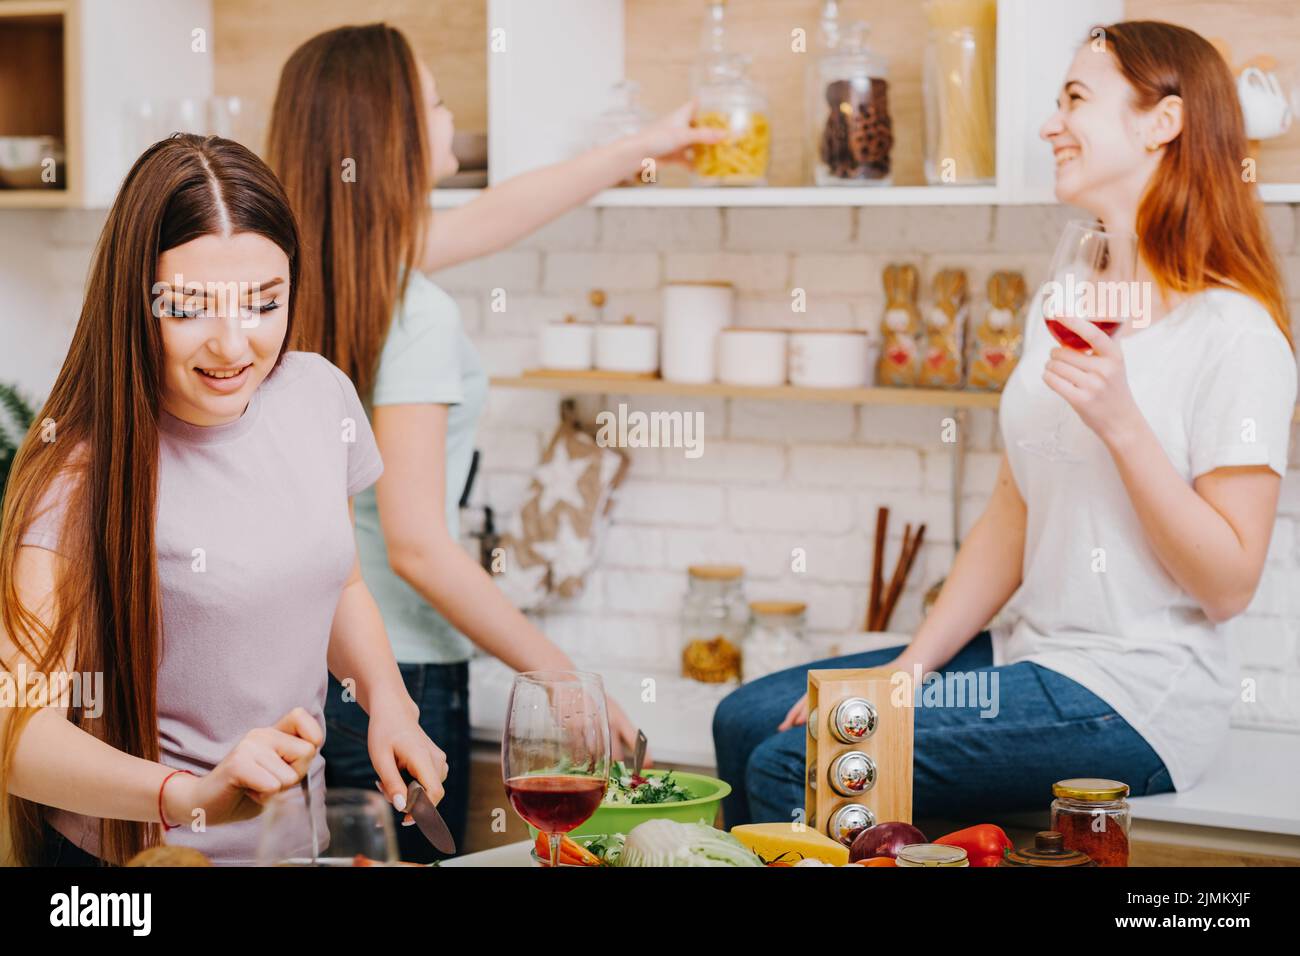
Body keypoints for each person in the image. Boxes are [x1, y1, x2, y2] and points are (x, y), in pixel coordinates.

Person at [714, 20, 1297, 827]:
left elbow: (1230, 585)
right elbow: (1011, 513)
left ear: (1161, 123)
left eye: (1076, 100)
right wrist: (912, 667)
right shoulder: (1063, 303)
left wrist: (1123, 426)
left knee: (805, 760)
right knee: (743, 717)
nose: (1049, 123)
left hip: (1133, 694)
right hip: (1029, 657)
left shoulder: (1235, 335)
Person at [266, 23, 722, 860]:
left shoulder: (300, 279)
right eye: (436, 101)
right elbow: (418, 546)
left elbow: (499, 214)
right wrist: (564, 682)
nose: (449, 117)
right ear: (392, 131)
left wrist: (646, 146)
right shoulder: (412, 308)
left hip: (303, 667)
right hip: (398, 675)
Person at [0, 134, 447, 865]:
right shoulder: (79, 477)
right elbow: (18, 738)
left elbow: (342, 581)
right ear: (135, 301)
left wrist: (387, 700)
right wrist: (193, 797)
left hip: (294, 847)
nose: (234, 346)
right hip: (139, 864)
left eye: (264, 303)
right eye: (191, 308)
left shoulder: (317, 395)